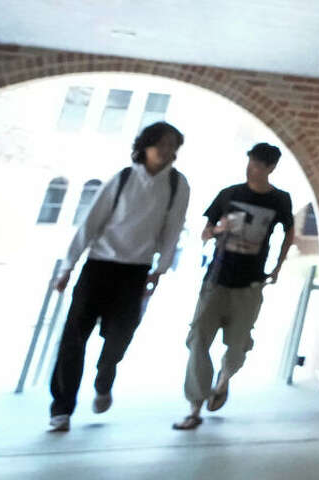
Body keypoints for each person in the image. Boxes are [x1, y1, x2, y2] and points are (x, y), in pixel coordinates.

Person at [47, 121, 189, 431]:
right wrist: (67, 267)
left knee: (119, 338)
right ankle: (62, 408)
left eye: (172, 145)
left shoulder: (177, 185)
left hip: (136, 272)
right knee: (74, 338)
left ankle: (104, 375)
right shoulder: (123, 178)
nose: (166, 150)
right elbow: (91, 222)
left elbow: (172, 230)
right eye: (161, 143)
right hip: (99, 265)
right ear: (146, 145)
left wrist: (160, 270)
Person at [176, 142, 294, 430]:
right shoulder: (229, 194)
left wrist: (279, 265)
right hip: (215, 280)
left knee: (239, 344)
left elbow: (289, 232)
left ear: (270, 168)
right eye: (250, 162)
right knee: (198, 340)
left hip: (250, 284)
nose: (251, 169)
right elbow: (204, 233)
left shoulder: (279, 200)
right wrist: (219, 229)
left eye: (257, 165)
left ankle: (224, 380)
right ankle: (195, 406)